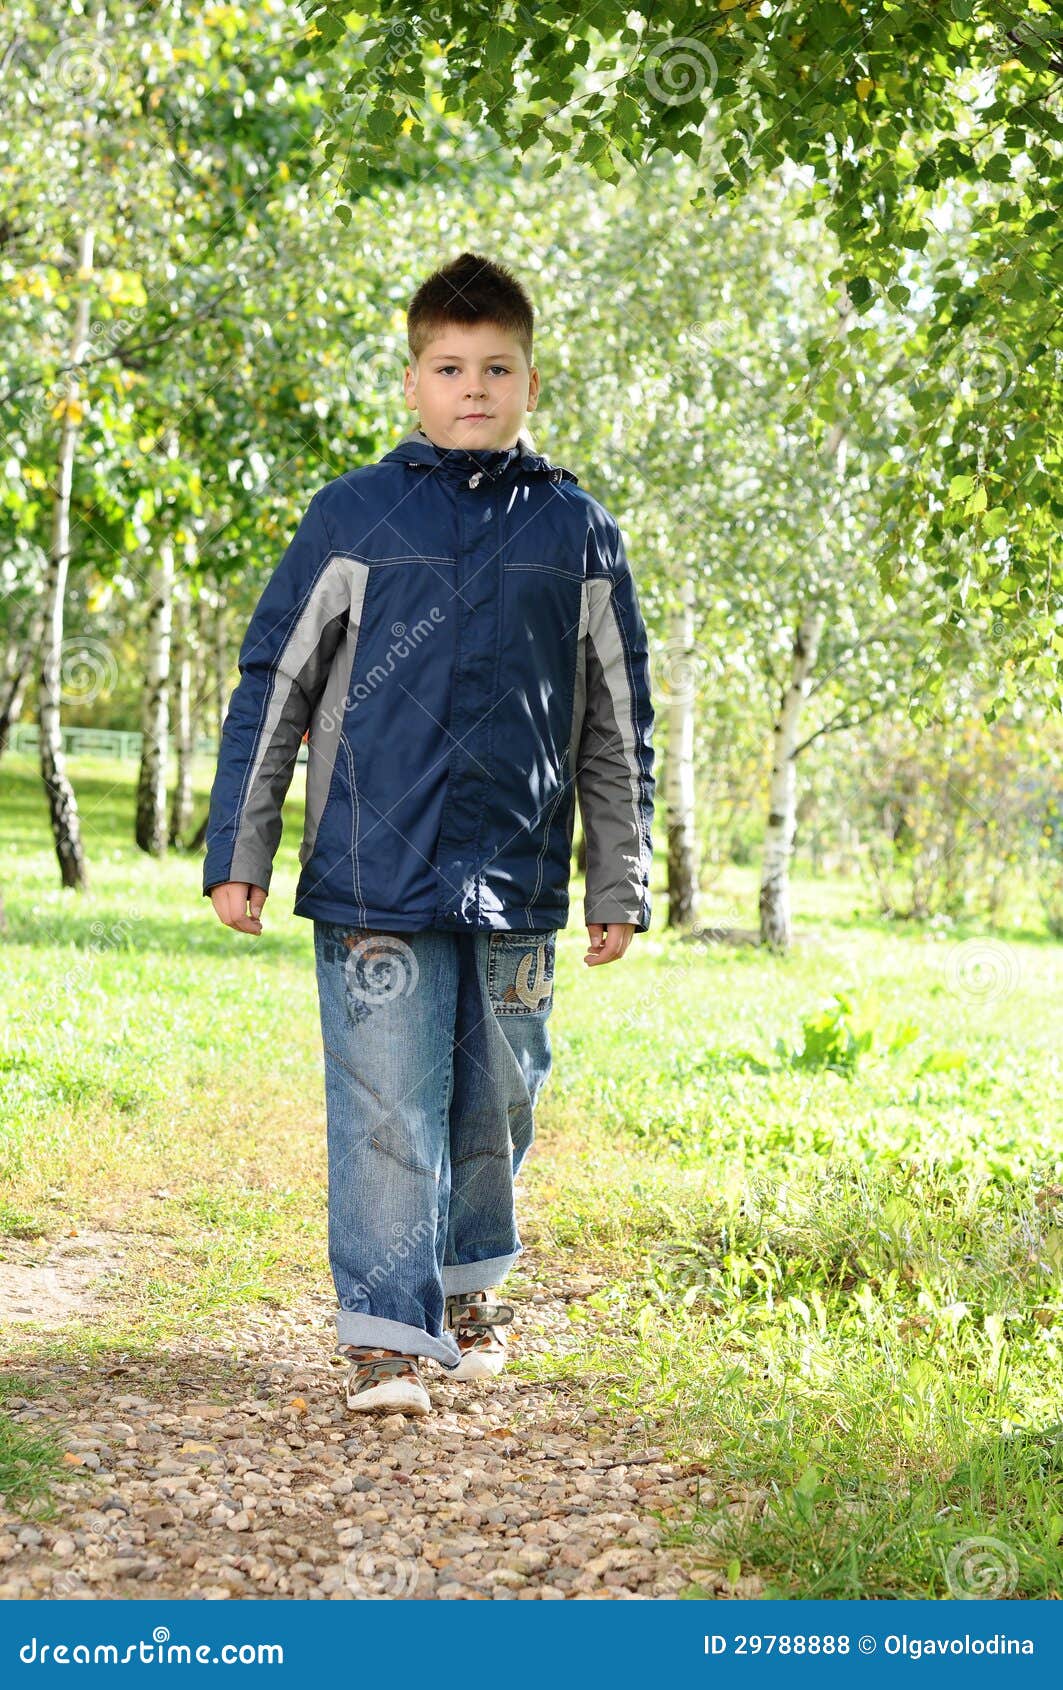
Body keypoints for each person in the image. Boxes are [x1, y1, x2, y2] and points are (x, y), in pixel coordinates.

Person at [202, 251, 656, 1417]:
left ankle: (465, 1292)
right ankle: (386, 1340)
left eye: (496, 368)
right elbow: (275, 683)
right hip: (374, 874)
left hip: (517, 877)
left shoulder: (578, 532)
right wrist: (241, 848)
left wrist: (617, 874)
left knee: (497, 1101)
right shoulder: (354, 515)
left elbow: (616, 721)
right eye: (449, 368)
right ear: (412, 382)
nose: (473, 388)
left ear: (531, 384)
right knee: (386, 1105)